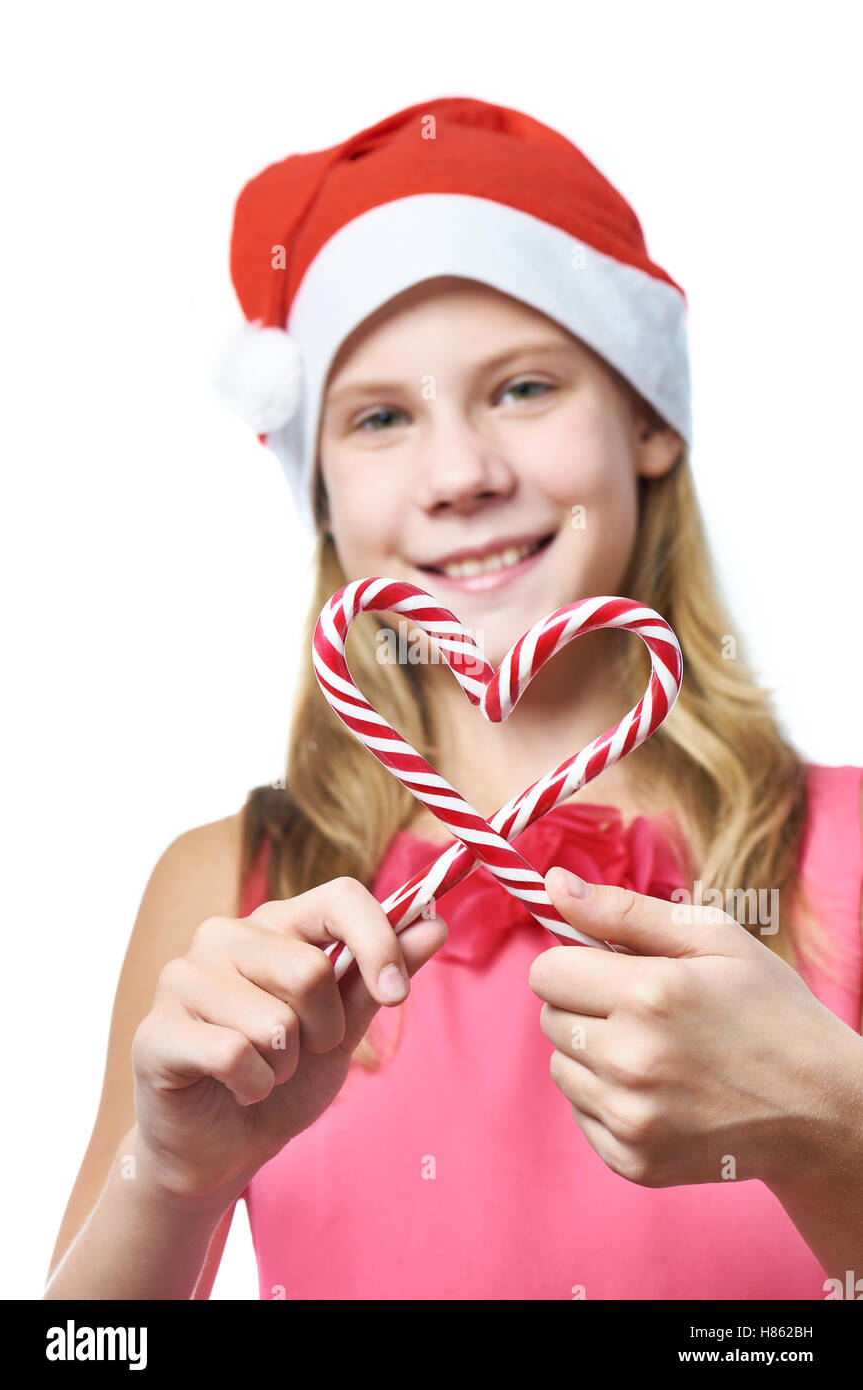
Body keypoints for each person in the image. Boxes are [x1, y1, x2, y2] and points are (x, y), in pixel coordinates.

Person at [44, 96, 863, 1301]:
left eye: (524, 389)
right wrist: (167, 1178)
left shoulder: (846, 859)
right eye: (380, 417)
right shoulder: (223, 901)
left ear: (648, 419)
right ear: (319, 487)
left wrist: (837, 1133)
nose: (462, 474)